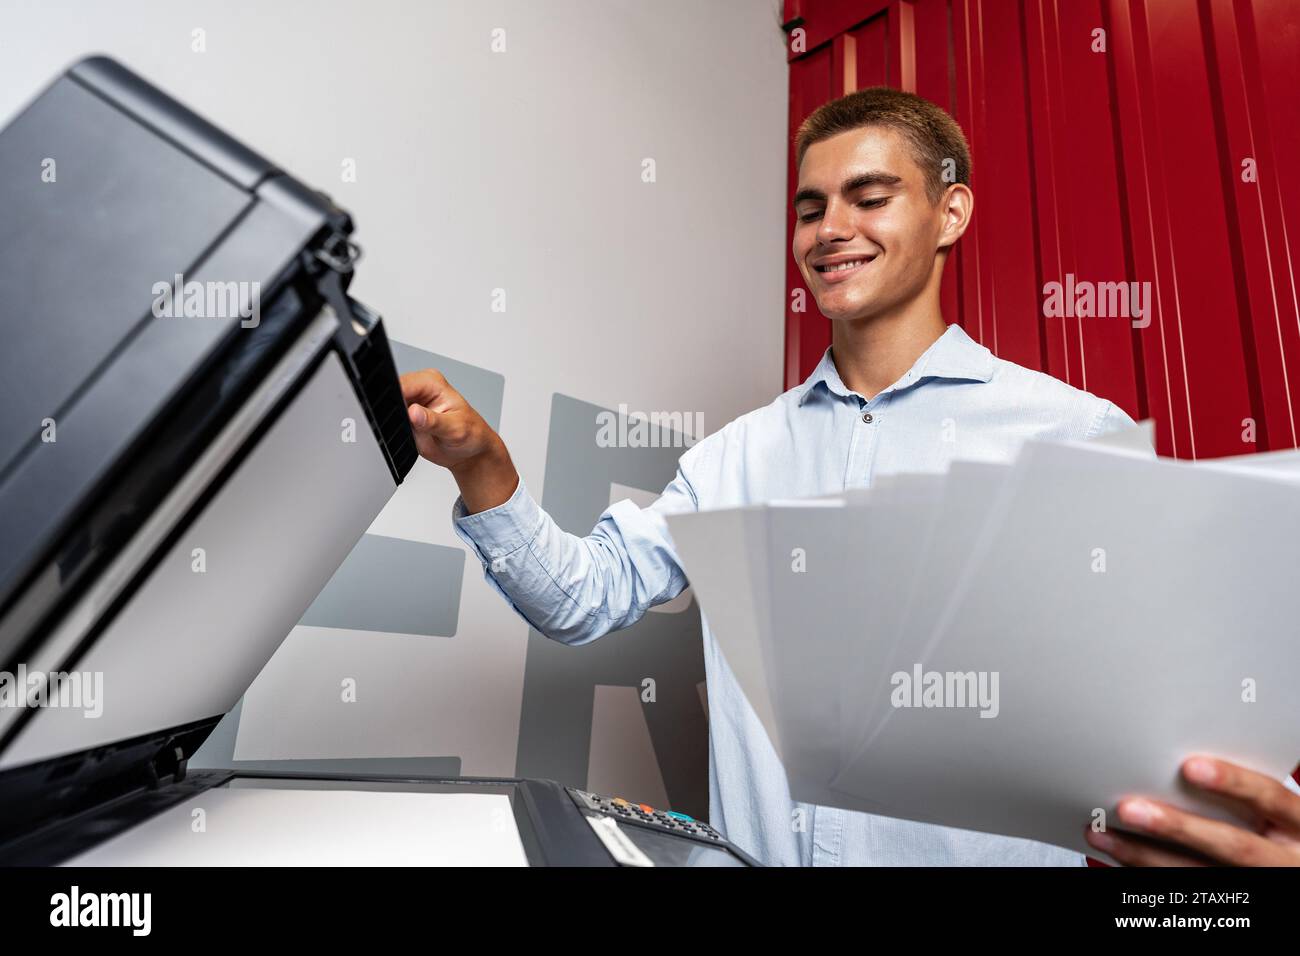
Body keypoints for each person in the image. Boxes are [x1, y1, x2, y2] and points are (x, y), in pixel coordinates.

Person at [400, 87, 1300, 866]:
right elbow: (580, 601)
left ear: (951, 213)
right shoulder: (736, 456)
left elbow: (1164, 731)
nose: (831, 230)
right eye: (809, 207)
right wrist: (485, 466)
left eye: (870, 197)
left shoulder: (1073, 435)